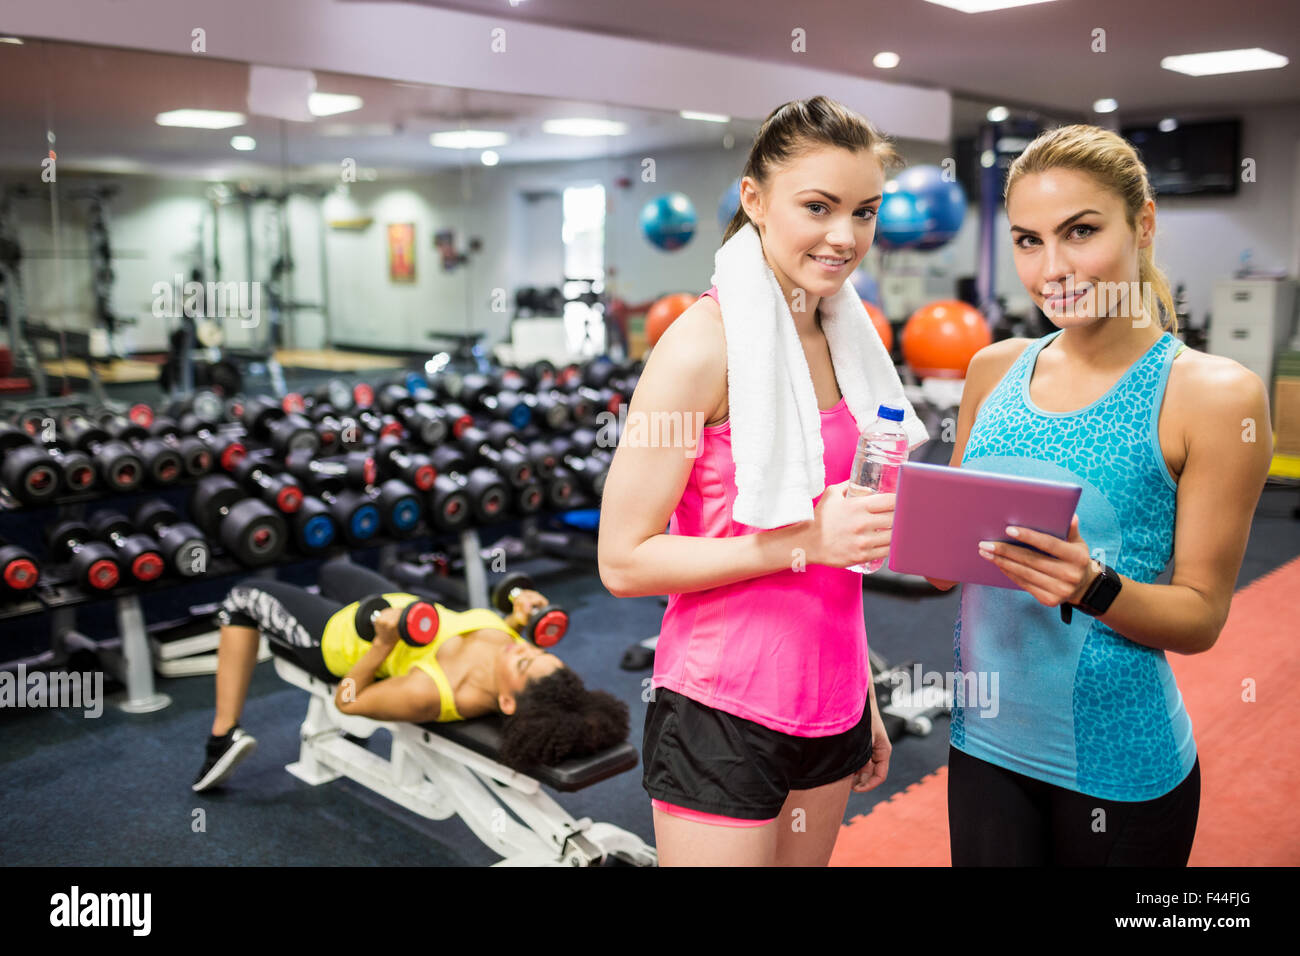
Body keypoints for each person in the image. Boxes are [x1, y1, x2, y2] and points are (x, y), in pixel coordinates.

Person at [928, 124, 1273, 865]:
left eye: (1080, 231)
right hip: (983, 744)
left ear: (1142, 223)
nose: (1051, 267)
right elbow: (945, 569)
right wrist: (891, 516)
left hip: (1120, 771)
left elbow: (1202, 619)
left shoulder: (1213, 395)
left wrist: (1093, 586)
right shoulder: (993, 369)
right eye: (1027, 240)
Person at [599, 96, 923, 866]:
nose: (845, 237)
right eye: (818, 206)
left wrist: (866, 700)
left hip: (835, 697)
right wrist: (800, 542)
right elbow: (624, 559)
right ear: (754, 199)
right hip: (722, 707)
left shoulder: (850, 337)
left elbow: (851, 542)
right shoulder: (701, 347)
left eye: (865, 212)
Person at [192, 560, 628, 792]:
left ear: (508, 703)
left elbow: (346, 700)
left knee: (243, 598)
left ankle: (222, 735)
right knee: (332, 569)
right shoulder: (509, 656)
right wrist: (512, 618)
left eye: (523, 661)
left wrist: (380, 645)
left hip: (343, 638)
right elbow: (508, 645)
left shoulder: (430, 692)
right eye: (535, 650)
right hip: (398, 607)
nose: (523, 647)